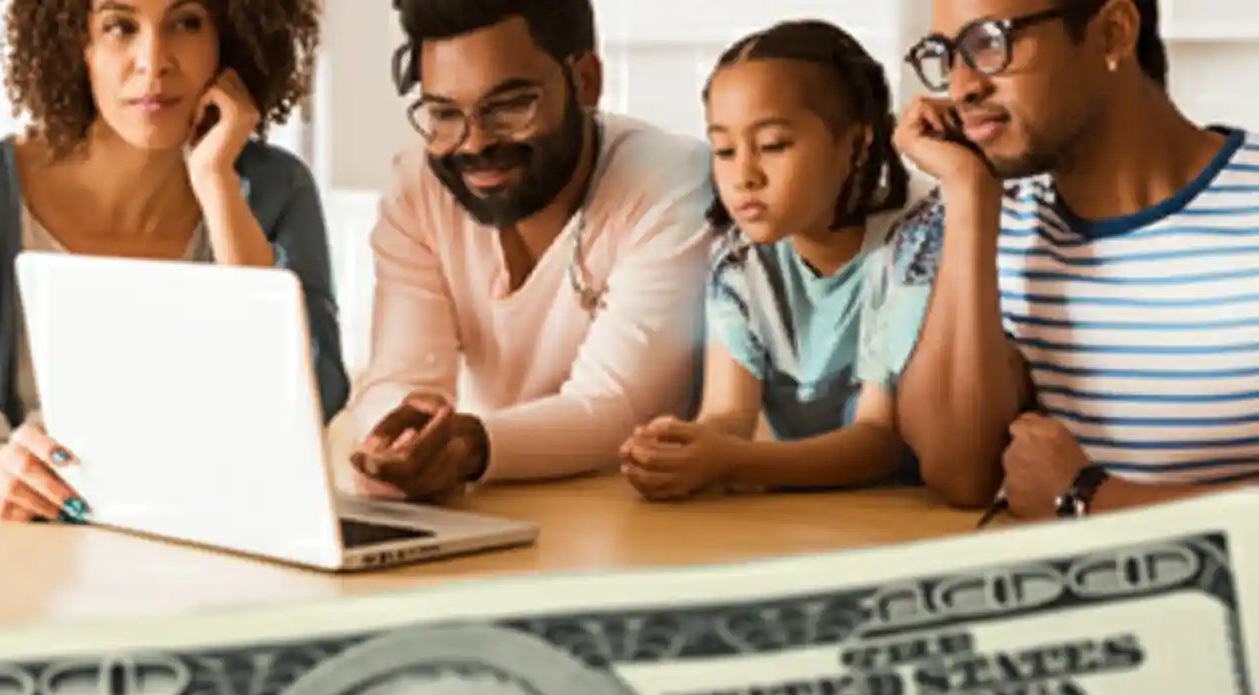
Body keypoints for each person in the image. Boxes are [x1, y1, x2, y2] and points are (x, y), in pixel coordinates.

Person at [0, 0, 349, 524]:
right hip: (29, 559)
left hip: (218, 545)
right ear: (76, 44)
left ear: (231, 36)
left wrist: (217, 184)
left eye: (187, 23)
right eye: (120, 27)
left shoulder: (274, 189)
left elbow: (310, 402)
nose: (153, 63)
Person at [888, 0, 1259, 520]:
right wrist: (969, 197)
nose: (961, 87)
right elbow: (961, 474)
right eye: (946, 55)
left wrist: (1093, 499)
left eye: (990, 42)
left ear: (1112, 34)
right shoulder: (1005, 223)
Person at [346, 0, 713, 500]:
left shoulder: (670, 182)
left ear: (585, 80)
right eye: (443, 113)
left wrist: (472, 446)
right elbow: (399, 374)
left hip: (631, 517)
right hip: (491, 510)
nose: (473, 143)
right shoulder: (418, 183)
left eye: (509, 106)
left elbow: (621, 405)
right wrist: (400, 435)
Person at [618, 20, 943, 501]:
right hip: (809, 518)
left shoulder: (916, 240)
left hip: (914, 513)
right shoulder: (738, 260)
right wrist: (684, 449)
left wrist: (731, 461)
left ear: (856, 143)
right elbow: (728, 414)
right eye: (724, 150)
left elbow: (881, 441)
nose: (743, 175)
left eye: (773, 145)